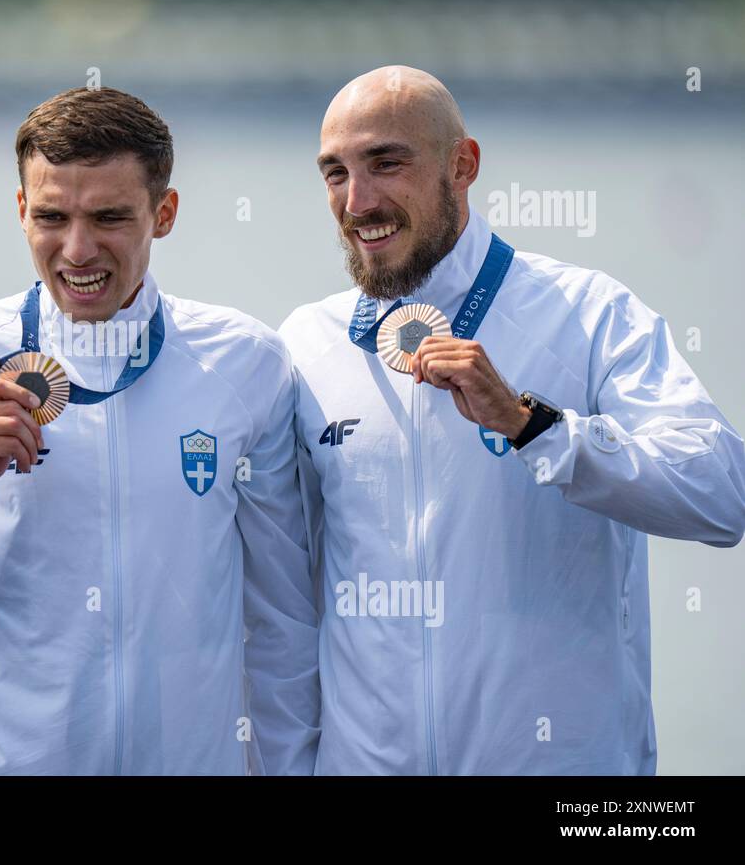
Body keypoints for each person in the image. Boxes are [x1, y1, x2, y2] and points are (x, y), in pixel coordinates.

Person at [278, 65, 745, 774]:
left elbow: (720, 493)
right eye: (334, 173)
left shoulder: (589, 313)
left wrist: (535, 427)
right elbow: (271, 587)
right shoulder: (304, 342)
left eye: (386, 164)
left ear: (462, 166)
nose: (358, 201)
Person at [0, 87, 318, 775]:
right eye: (52, 217)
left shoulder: (246, 361)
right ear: (20, 211)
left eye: (110, 218)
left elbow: (284, 626)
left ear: (166, 212)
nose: (77, 249)